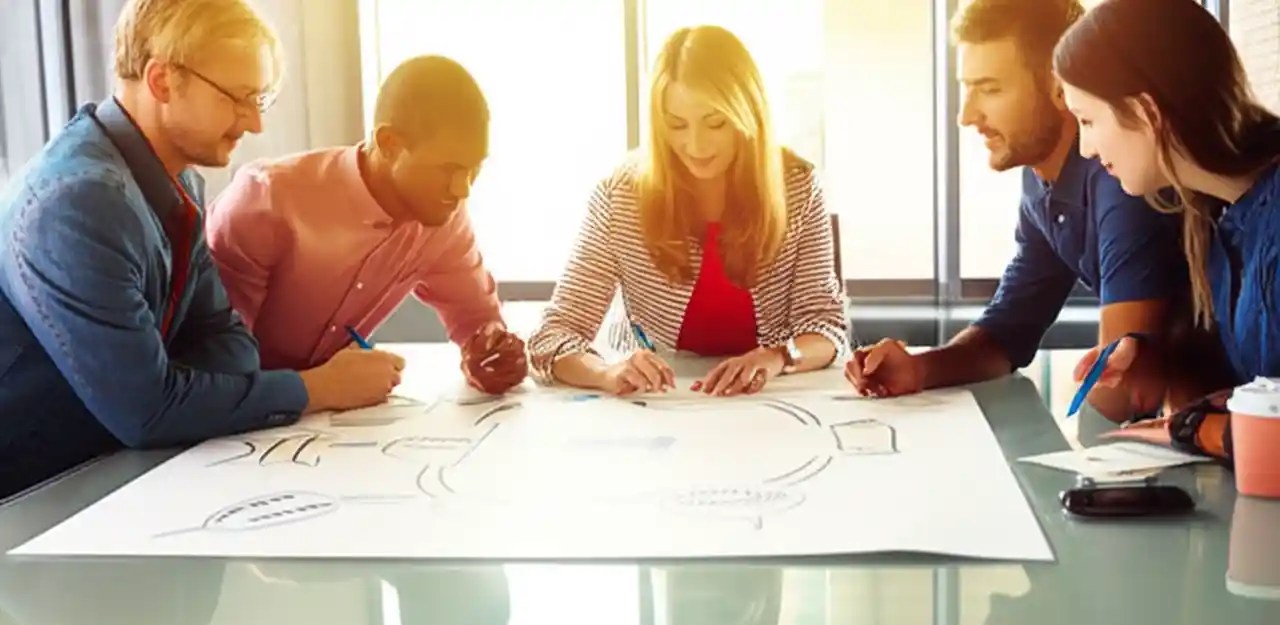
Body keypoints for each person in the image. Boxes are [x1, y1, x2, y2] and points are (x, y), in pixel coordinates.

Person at [0, 0, 403, 494]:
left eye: (262, 98)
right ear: (162, 80)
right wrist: (320, 388)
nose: (255, 123)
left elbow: (229, 342)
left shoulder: (175, 180)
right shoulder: (81, 201)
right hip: (31, 502)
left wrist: (180, 391)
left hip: (109, 477)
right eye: (239, 98)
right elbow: (147, 411)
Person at [845, 0, 1200, 422]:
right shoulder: (1042, 178)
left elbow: (1120, 392)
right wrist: (920, 368)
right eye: (966, 87)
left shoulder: (1121, 177)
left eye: (990, 88)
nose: (966, 115)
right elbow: (1009, 329)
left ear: (1059, 86)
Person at [527, 25, 847, 397]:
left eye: (716, 123)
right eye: (676, 125)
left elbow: (825, 326)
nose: (695, 145)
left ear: (749, 117)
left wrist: (777, 357)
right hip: (658, 406)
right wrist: (606, 372)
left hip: (768, 403)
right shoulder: (621, 196)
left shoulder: (799, 189)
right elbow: (552, 337)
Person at [207, 55, 527, 395]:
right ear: (389, 144)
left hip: (318, 425)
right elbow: (216, 369)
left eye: (473, 168)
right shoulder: (266, 200)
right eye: (447, 169)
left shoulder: (444, 217)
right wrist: (325, 386)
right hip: (219, 425)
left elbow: (478, 320)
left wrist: (490, 354)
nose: (462, 189)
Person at [1053, 0, 1280, 462]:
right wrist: (1154, 358)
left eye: (1088, 121)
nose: (1087, 148)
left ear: (1145, 111)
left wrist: (1194, 429)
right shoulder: (1217, 220)